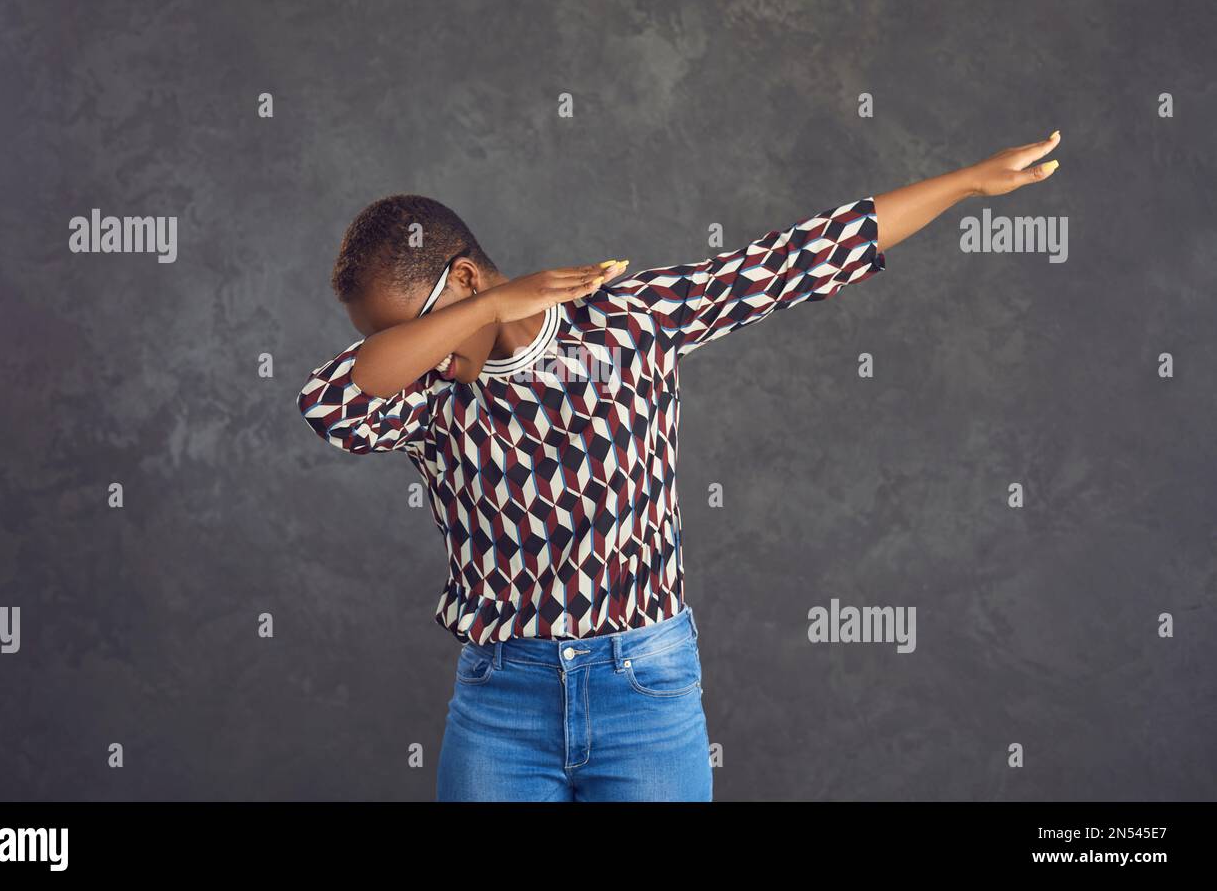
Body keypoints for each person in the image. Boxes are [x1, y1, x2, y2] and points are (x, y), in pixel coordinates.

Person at [297, 132, 1061, 801]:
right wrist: (480, 315)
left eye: (416, 330)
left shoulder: (629, 323)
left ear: (462, 276)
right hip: (501, 704)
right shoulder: (424, 396)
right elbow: (330, 402)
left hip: (644, 690)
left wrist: (966, 182)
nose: (417, 354)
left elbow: (796, 258)